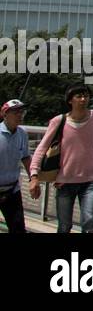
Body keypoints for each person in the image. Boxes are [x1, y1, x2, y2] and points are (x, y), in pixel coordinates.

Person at [29, 84, 93, 233]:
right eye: (78, 96)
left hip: (90, 180)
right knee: (64, 226)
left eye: (85, 95)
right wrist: (34, 176)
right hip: (64, 181)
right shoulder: (59, 121)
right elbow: (41, 148)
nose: (83, 99)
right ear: (70, 100)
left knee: (89, 222)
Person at [1, 99, 31, 233]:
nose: (19, 115)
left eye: (21, 112)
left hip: (12, 190)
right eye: (15, 112)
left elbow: (25, 157)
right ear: (4, 114)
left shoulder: (22, 133)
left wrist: (34, 178)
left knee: (18, 228)